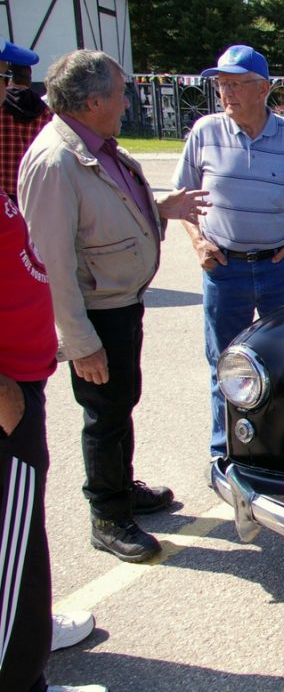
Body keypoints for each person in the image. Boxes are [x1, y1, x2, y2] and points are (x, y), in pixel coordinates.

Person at [18, 50, 207, 564]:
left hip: (119, 303)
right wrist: (80, 343)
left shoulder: (94, 146)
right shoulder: (56, 160)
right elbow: (49, 263)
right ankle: (107, 515)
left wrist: (161, 209)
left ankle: (120, 487)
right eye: (122, 91)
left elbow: (109, 211)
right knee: (103, 413)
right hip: (96, 313)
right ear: (95, 100)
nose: (128, 99)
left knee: (120, 402)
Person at [1, 38, 104, 692]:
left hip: (23, 378)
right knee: (13, 556)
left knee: (22, 547)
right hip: (5, 392)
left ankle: (27, 636)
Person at [173, 44, 284, 463]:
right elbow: (182, 201)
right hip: (225, 269)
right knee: (225, 365)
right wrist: (199, 243)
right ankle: (226, 453)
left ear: (265, 89)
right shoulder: (205, 132)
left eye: (237, 84)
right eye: (222, 84)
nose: (227, 92)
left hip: (280, 270)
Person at [1, 56, 52, 205]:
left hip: (3, 187)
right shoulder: (46, 112)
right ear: (29, 80)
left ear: (9, 78)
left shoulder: (1, 106)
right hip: (32, 185)